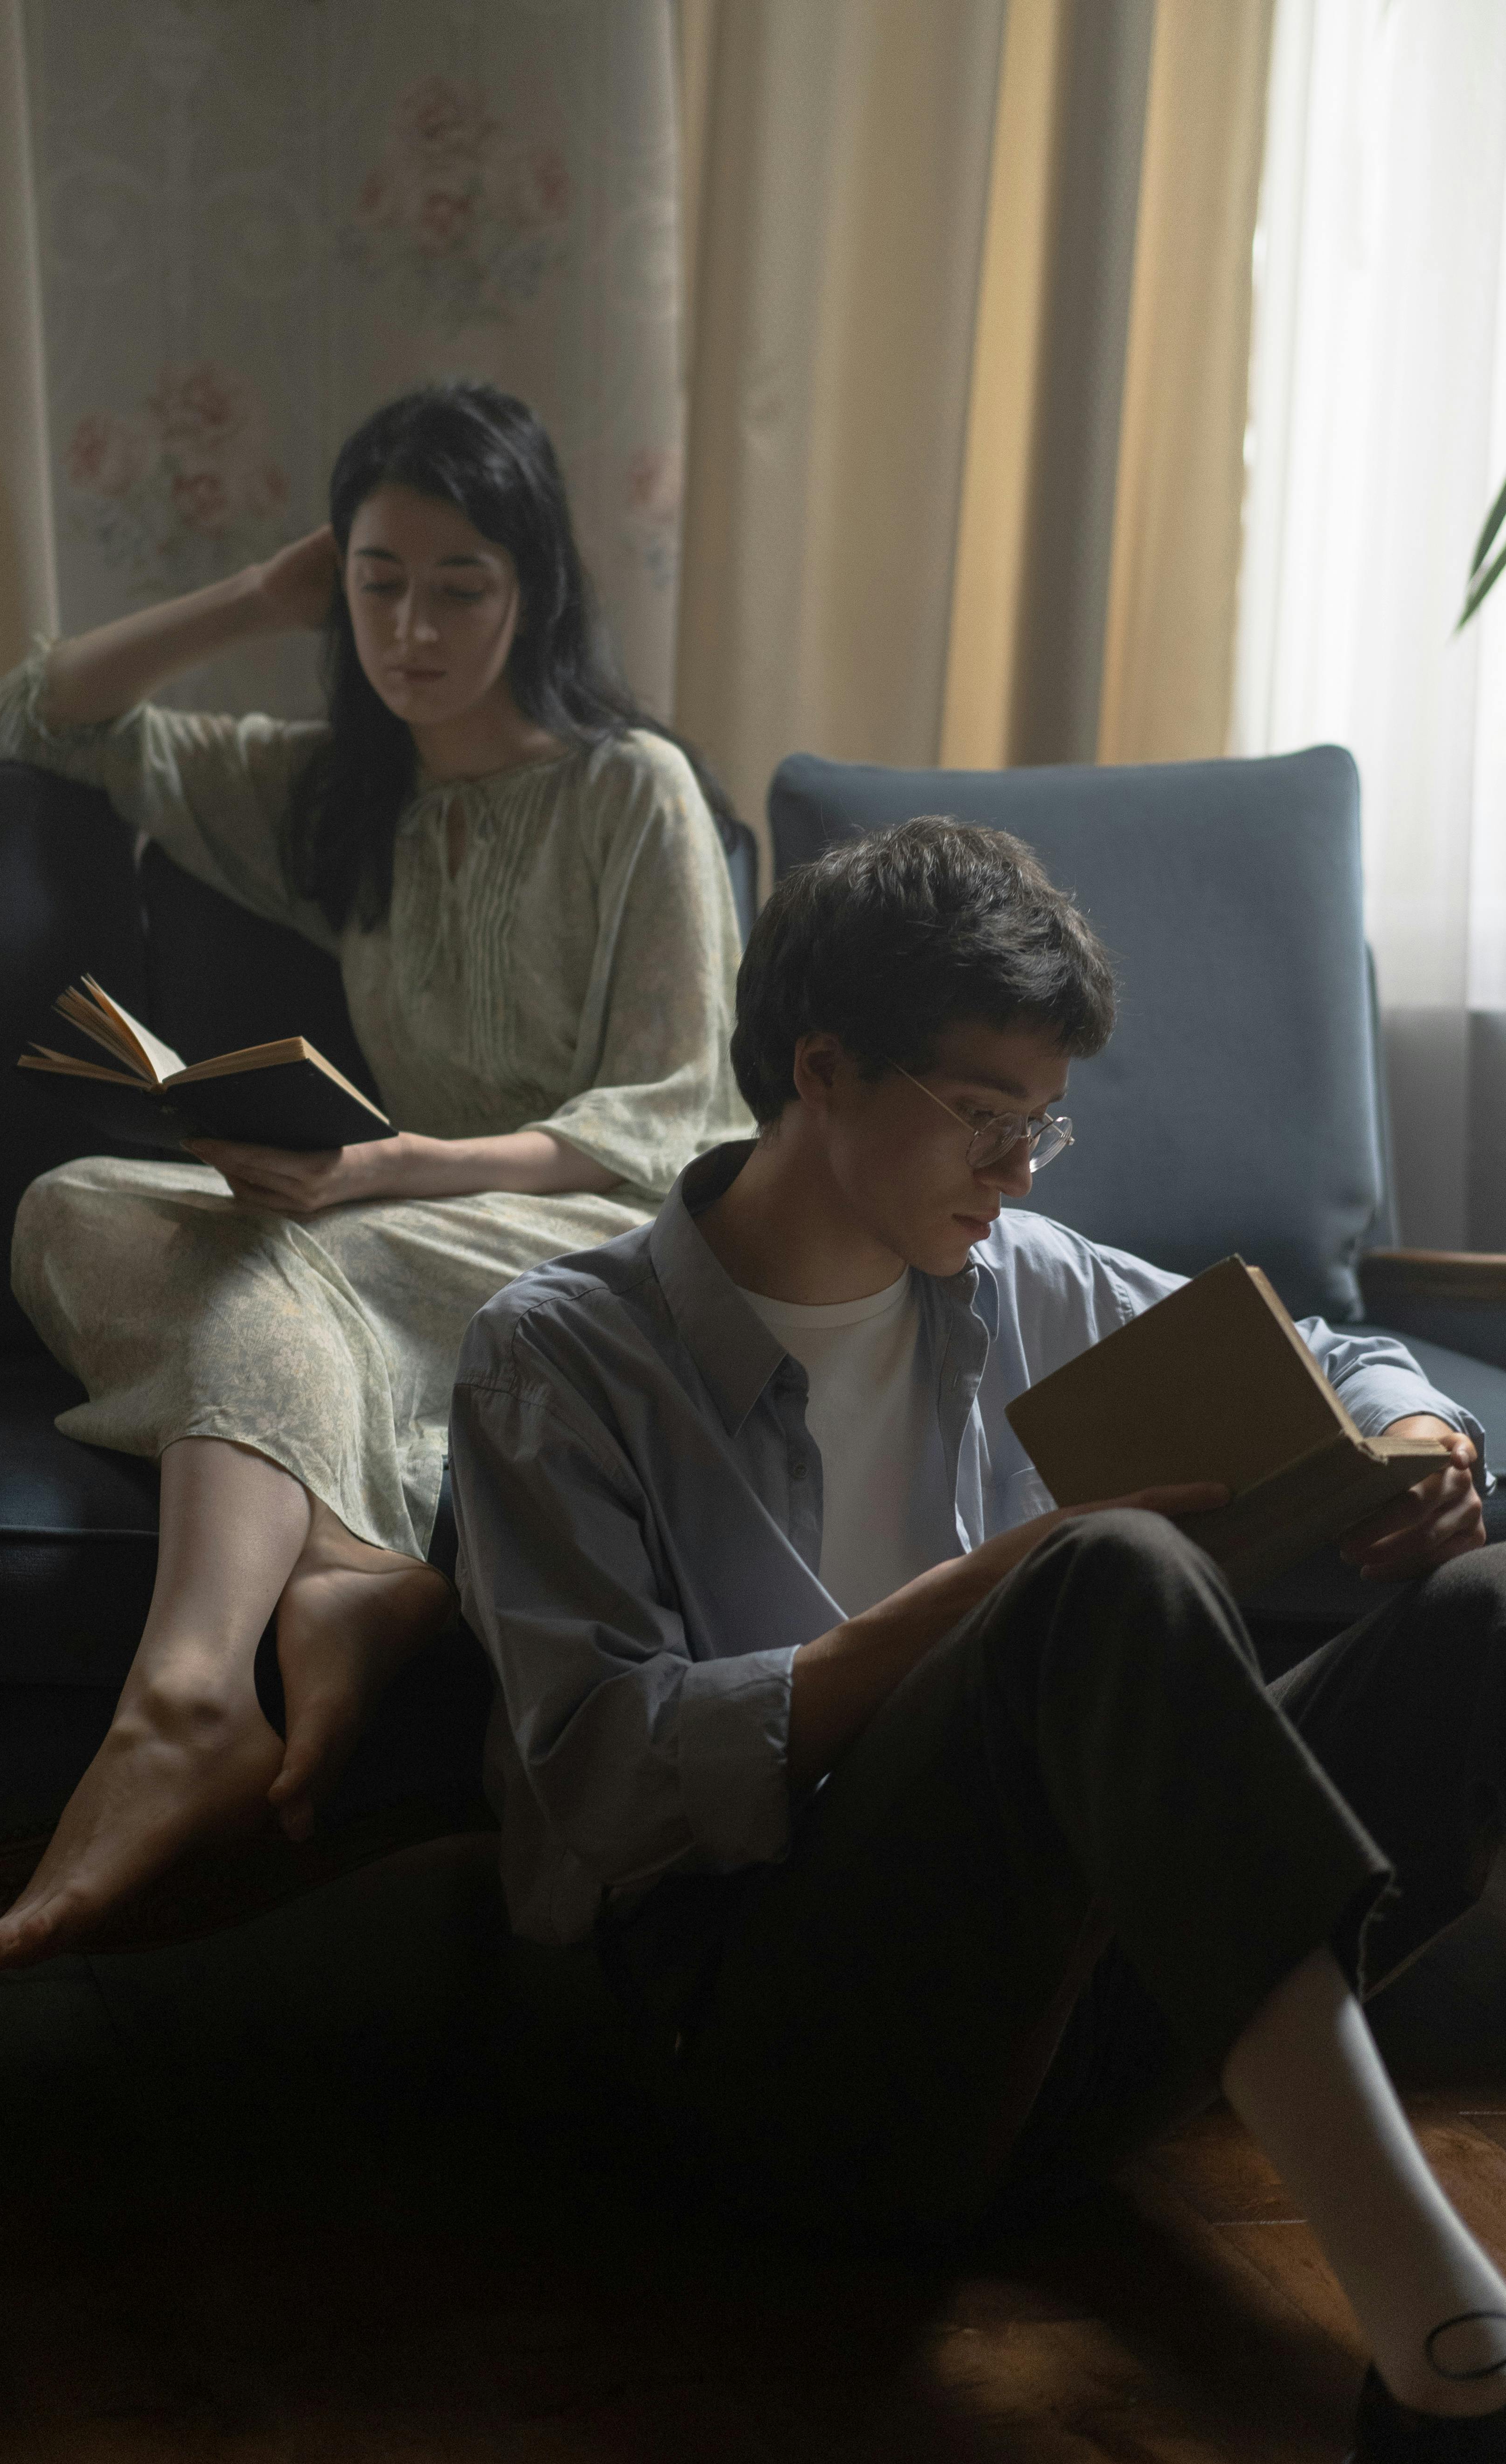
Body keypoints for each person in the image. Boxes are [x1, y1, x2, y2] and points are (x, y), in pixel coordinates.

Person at [452, 818, 1506, 2458]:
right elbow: (600, 1782)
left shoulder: (1023, 1278)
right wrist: (998, 1590)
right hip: (773, 2068)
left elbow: (1325, 1347)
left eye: (1042, 1123)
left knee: (1485, 1609)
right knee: (1104, 1577)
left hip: (1063, 2049)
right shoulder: (562, 1360)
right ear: (821, 1067)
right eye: (981, 1117)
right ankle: (1437, 2325)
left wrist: (1426, 1440)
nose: (1018, 1170)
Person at [0, 380, 749, 1994]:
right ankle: (356, 1573)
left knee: (273, 1262)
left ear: (535, 591)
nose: (415, 626)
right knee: (73, 1202)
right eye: (380, 581)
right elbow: (39, 718)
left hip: (586, 1233)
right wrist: (258, 592)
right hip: (378, 1234)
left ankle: (184, 1691)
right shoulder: (334, 798)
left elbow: (674, 1121)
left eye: (461, 584)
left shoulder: (631, 787)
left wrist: (385, 1167)